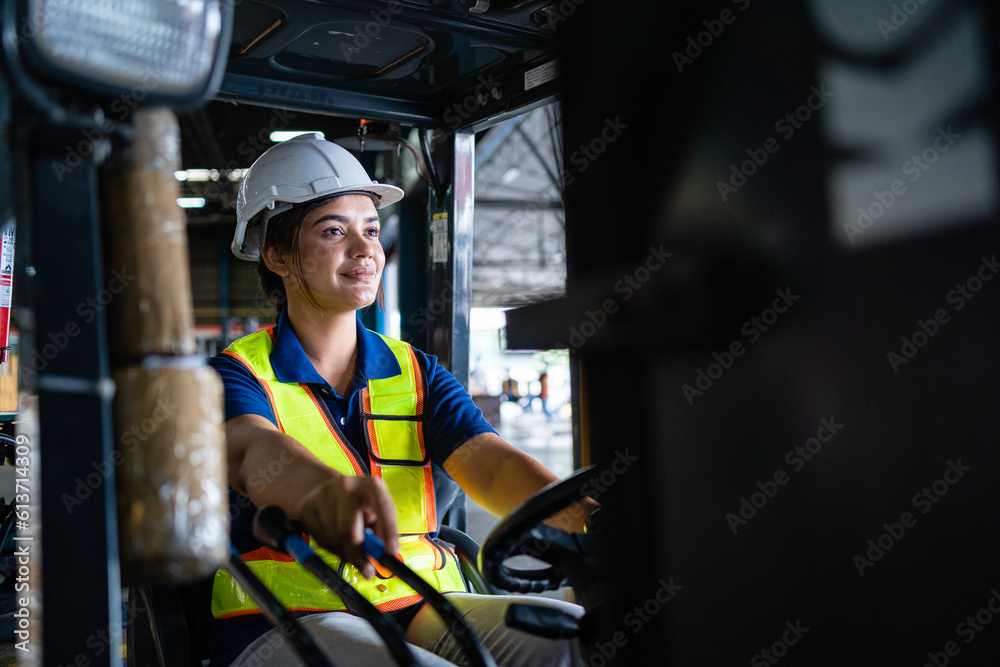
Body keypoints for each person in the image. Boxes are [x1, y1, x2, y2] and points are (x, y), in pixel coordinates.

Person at [208, 135, 597, 666]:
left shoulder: (414, 370)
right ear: (277, 255)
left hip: (413, 601)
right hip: (285, 615)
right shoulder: (236, 373)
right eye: (332, 231)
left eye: (370, 229)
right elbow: (252, 451)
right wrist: (325, 492)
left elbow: (488, 464)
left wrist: (585, 518)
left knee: (579, 636)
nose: (365, 248)